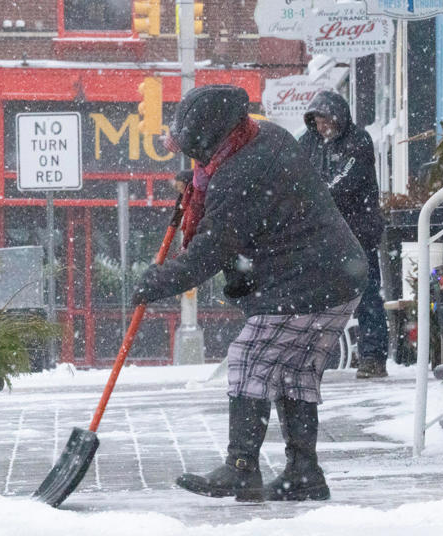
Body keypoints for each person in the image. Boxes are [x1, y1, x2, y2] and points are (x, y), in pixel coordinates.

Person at [132, 85, 368, 502]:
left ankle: (241, 468)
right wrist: (200, 179)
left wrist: (157, 281)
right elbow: (239, 185)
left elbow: (209, 253)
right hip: (335, 273)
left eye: (195, 152)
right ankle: (304, 473)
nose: (194, 159)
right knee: (294, 373)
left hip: (307, 282)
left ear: (211, 137)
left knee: (249, 358)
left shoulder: (242, 173)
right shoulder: (263, 136)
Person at [299, 90, 389, 379]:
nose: (322, 126)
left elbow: (345, 180)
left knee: (366, 296)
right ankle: (313, 357)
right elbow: (293, 173)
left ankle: (373, 357)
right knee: (318, 299)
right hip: (321, 235)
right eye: (317, 121)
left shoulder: (358, 141)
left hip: (357, 235)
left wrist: (313, 196)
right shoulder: (308, 143)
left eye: (325, 119)